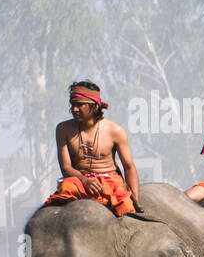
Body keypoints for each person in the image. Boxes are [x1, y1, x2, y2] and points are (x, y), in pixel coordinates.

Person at [44, 81, 140, 216]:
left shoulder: (115, 131)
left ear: (94, 106)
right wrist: (85, 180)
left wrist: (136, 201)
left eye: (79, 105)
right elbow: (66, 167)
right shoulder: (63, 129)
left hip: (110, 183)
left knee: (127, 212)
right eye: (72, 105)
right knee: (58, 202)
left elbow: (129, 168)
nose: (74, 109)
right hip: (77, 182)